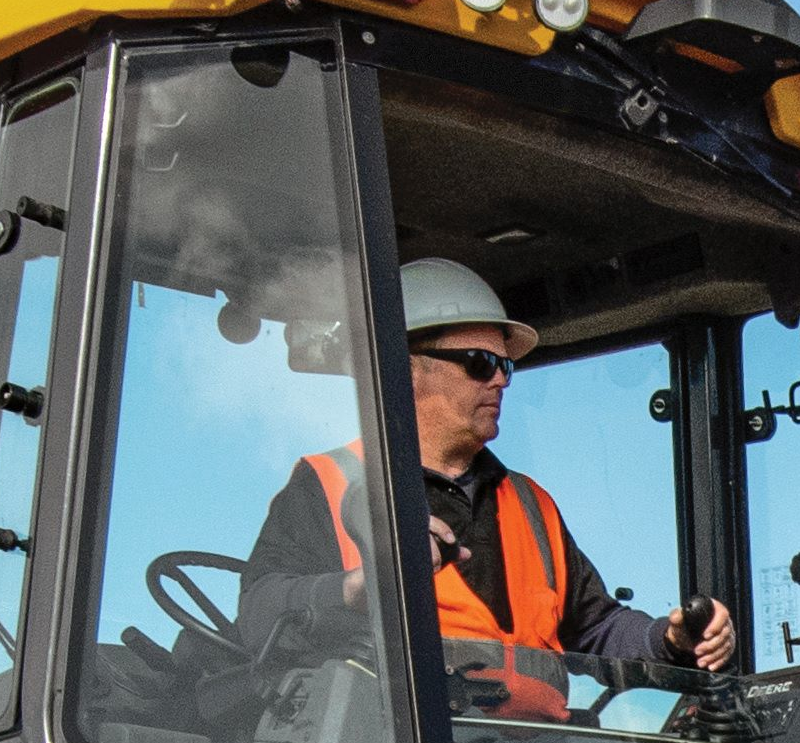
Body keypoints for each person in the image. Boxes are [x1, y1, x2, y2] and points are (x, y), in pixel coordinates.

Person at [254, 257, 732, 719]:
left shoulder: (530, 503)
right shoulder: (328, 483)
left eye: (506, 365)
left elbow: (597, 627)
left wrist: (670, 640)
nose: (501, 379)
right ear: (404, 368)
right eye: (480, 363)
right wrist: (362, 588)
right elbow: (259, 612)